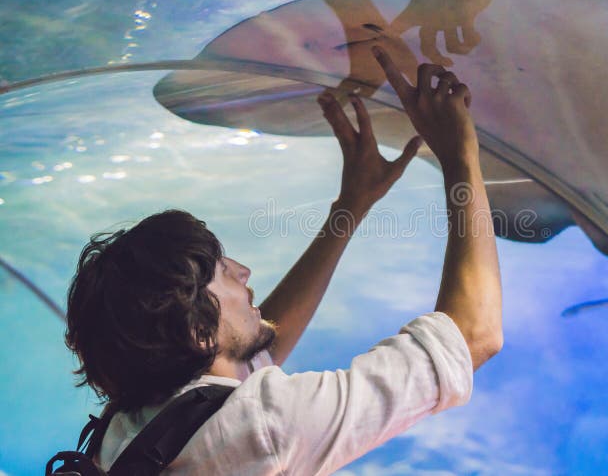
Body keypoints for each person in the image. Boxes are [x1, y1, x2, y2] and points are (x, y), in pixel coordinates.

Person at [65, 47, 503, 475]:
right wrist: (460, 152)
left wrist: (351, 205)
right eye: (222, 271)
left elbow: (252, 352)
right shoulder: (262, 428)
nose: (243, 273)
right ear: (199, 334)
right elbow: (474, 335)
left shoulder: (133, 421)